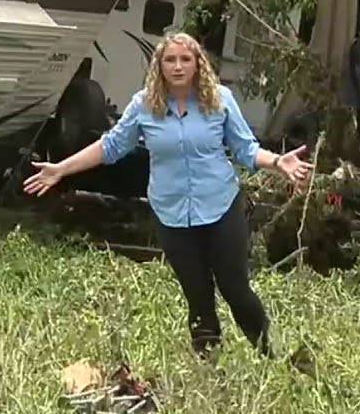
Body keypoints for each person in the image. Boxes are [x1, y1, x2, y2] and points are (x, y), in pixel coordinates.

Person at [24, 31, 312, 359]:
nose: (177, 66)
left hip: (220, 206)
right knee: (198, 296)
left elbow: (246, 150)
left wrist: (277, 161)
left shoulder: (219, 100)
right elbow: (111, 146)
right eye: (170, 60)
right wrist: (62, 168)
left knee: (236, 289)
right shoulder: (145, 105)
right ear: (159, 66)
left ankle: (272, 356)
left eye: (185, 59)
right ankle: (209, 368)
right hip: (172, 214)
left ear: (197, 64)